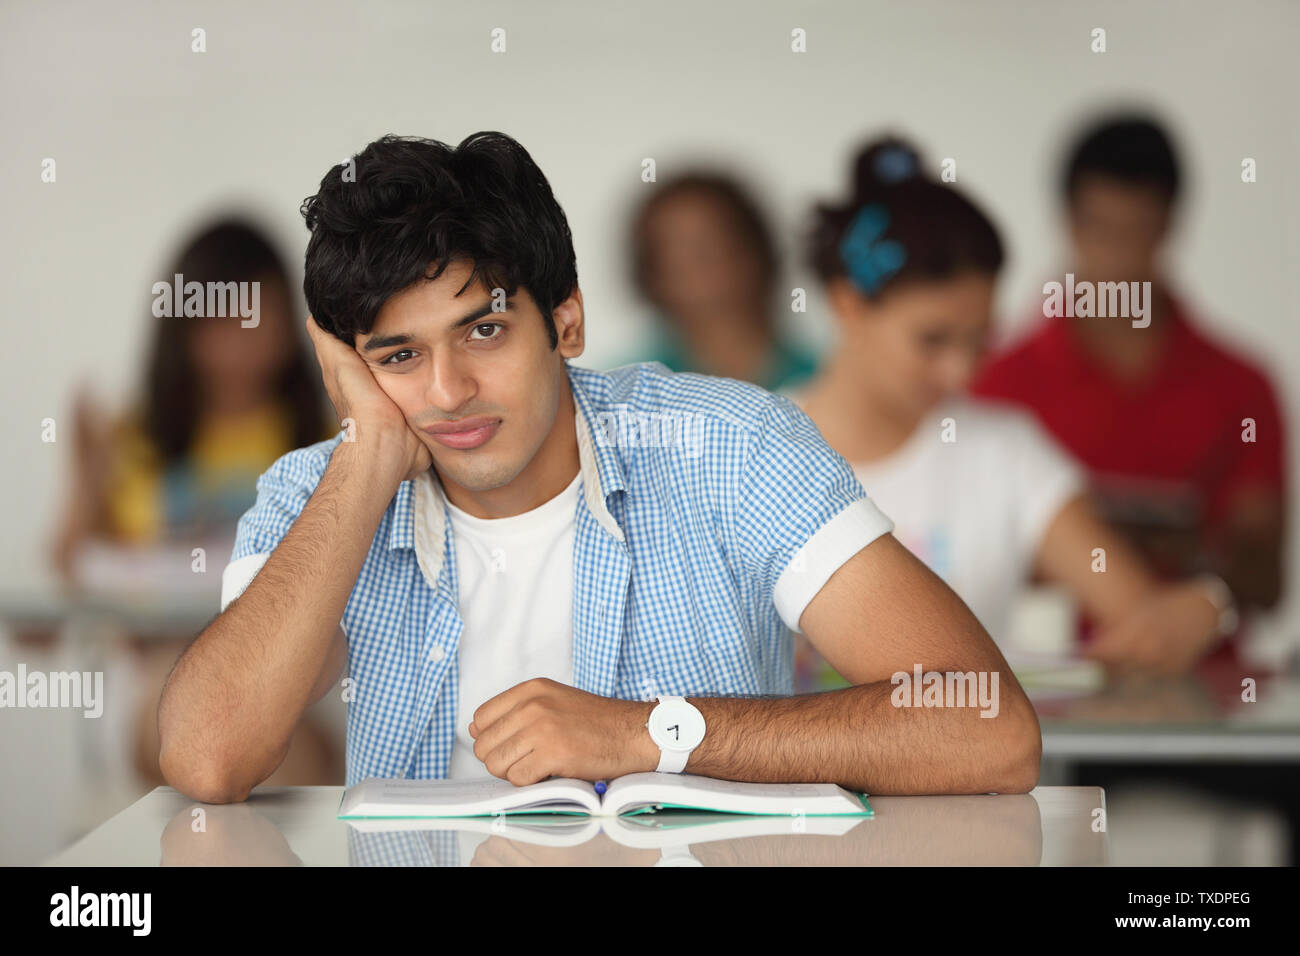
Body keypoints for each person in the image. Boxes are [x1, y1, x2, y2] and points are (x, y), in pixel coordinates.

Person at [158, 132, 1042, 804]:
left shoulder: (731, 445)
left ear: (566, 323)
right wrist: (363, 462)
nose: (447, 391)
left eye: (485, 331)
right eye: (396, 356)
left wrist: (653, 734)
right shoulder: (317, 492)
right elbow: (206, 757)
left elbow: (986, 728)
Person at [786, 136, 1232, 692]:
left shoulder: (1005, 453)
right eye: (933, 340)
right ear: (848, 304)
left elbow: (1140, 616)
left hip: (975, 778)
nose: (960, 373)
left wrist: (1203, 607)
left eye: (979, 341)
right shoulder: (750, 447)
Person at [971, 114, 1287, 645]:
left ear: (1169, 226)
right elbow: (967, 558)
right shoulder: (996, 382)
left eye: (1139, 231)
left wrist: (1203, 571)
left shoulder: (1242, 386)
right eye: (1102, 229)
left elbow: (1266, 580)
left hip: (1203, 695)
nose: (1119, 260)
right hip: (1037, 694)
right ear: (1069, 223)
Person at [48, 218, 340, 788]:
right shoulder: (136, 438)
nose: (237, 340)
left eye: (255, 316)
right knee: (200, 730)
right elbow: (60, 588)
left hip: (292, 676)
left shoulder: (324, 431)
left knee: (258, 750)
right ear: (183, 328)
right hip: (157, 674)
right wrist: (85, 482)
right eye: (218, 322)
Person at [625, 170, 818, 390]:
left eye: (714, 246)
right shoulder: (622, 395)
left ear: (756, 252)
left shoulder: (826, 382)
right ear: (652, 276)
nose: (701, 268)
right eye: (679, 253)